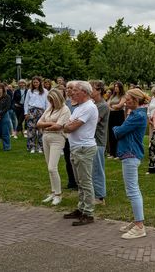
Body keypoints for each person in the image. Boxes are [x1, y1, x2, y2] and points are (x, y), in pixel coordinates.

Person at [60, 81, 99, 226]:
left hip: (84, 148)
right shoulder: (79, 107)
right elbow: (69, 124)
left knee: (85, 181)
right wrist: (67, 125)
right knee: (79, 182)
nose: (72, 92)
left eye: (75, 90)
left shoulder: (89, 107)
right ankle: (81, 208)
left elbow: (71, 127)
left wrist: (67, 126)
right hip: (76, 147)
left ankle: (88, 213)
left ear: (84, 92)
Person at [114, 88, 150, 239]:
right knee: (132, 189)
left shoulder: (137, 116)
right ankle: (137, 220)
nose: (125, 101)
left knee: (132, 190)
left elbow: (119, 131)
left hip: (131, 153)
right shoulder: (135, 114)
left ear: (135, 100)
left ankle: (139, 226)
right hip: (129, 153)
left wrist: (116, 128)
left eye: (127, 99)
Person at [36, 89, 71, 206]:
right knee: (48, 166)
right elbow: (38, 123)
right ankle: (53, 192)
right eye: (49, 100)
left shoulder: (65, 109)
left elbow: (58, 126)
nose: (51, 102)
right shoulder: (50, 108)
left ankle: (58, 194)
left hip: (57, 138)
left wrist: (47, 125)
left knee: (52, 167)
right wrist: (50, 125)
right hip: (46, 137)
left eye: (52, 99)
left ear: (57, 98)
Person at [90, 81, 110, 205]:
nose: (89, 91)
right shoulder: (94, 104)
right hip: (92, 141)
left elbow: (93, 122)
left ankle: (100, 196)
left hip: (98, 141)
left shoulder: (102, 105)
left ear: (98, 90)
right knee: (92, 169)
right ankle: (94, 193)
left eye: (91, 89)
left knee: (98, 169)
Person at [24, 76, 48, 154]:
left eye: (37, 82)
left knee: (41, 130)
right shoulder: (29, 91)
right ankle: (32, 147)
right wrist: (26, 113)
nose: (35, 84)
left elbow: (47, 103)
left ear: (40, 83)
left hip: (41, 111)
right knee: (31, 130)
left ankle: (40, 147)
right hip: (31, 111)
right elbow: (26, 102)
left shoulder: (45, 91)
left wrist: (47, 114)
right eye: (34, 82)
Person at [107, 82, 126, 158]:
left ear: (120, 88)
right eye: (115, 87)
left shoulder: (123, 96)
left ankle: (118, 153)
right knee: (111, 133)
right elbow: (108, 104)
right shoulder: (113, 96)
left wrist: (113, 106)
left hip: (119, 115)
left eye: (117, 87)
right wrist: (112, 107)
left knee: (118, 133)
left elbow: (120, 105)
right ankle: (112, 153)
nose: (115, 88)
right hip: (112, 115)